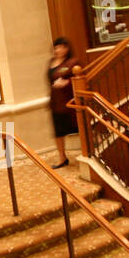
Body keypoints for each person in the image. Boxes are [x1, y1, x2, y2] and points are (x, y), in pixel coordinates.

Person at [48, 37, 81, 169]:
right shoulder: (51, 62)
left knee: (79, 128)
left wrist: (66, 83)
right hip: (55, 102)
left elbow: (79, 78)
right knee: (58, 132)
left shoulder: (73, 62)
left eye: (61, 47)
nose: (58, 50)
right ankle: (62, 158)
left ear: (67, 48)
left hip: (70, 102)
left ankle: (87, 153)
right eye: (56, 47)